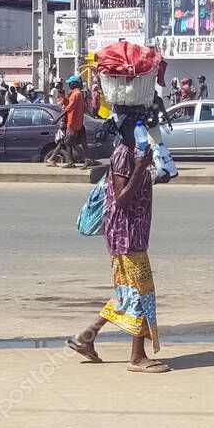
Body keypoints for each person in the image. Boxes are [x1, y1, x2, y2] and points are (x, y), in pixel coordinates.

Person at [66, 111, 168, 373]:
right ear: (125, 129)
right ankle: (137, 357)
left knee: (127, 293)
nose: (143, 128)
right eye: (138, 124)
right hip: (126, 236)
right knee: (140, 293)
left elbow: (137, 189)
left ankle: (85, 338)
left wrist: (156, 173)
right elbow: (121, 199)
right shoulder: (124, 153)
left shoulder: (135, 151)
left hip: (134, 233)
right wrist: (141, 166)